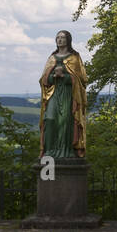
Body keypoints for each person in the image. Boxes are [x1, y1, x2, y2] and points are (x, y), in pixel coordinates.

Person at [39, 30, 87, 159]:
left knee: (65, 121)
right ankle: (49, 151)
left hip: (69, 94)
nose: (60, 40)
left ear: (68, 40)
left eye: (63, 38)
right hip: (54, 93)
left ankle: (66, 151)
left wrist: (65, 77)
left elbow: (82, 80)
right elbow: (43, 80)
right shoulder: (52, 58)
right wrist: (53, 76)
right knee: (50, 119)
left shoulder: (75, 58)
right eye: (58, 38)